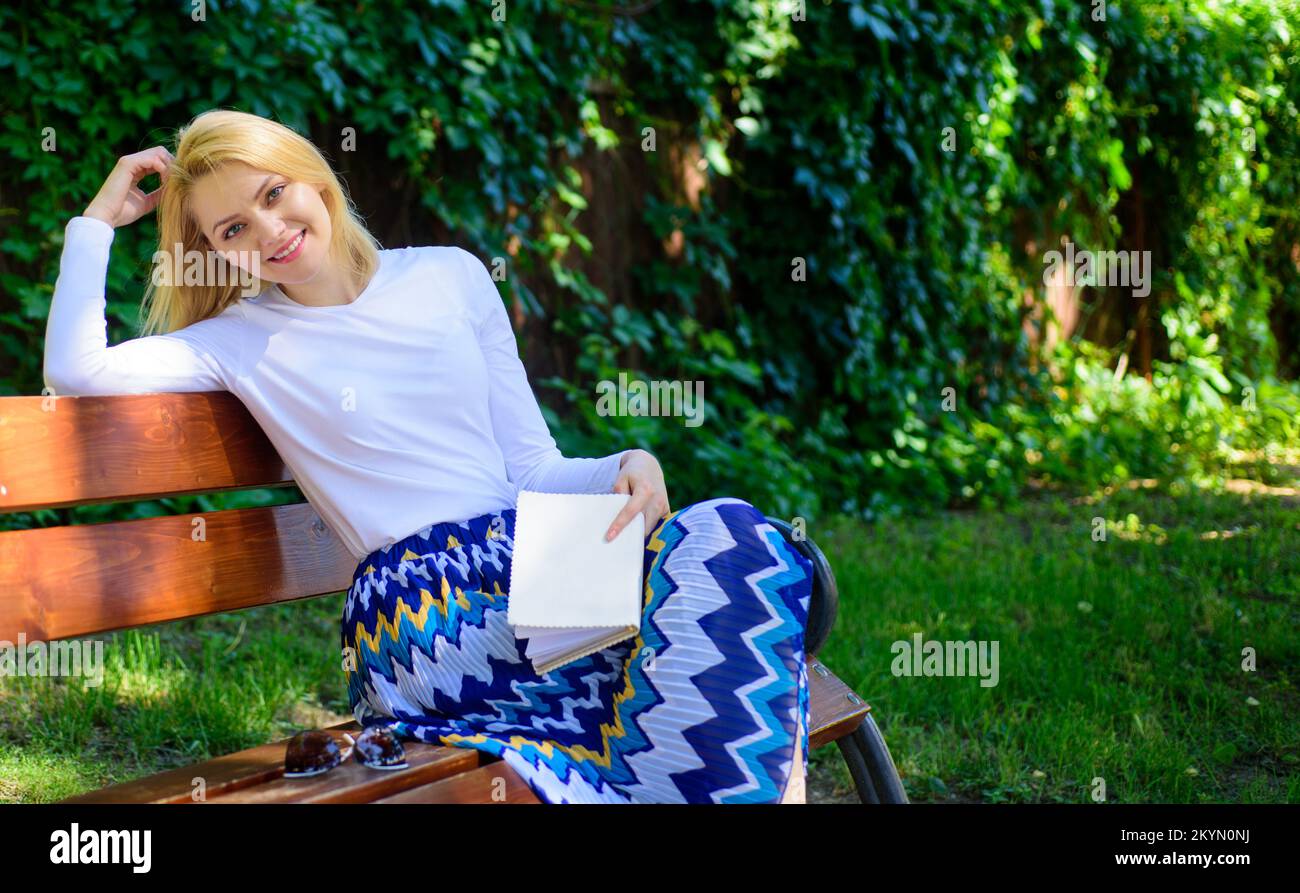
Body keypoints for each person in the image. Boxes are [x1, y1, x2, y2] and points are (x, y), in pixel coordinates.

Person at [42, 109, 812, 803]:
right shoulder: (236, 340)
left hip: (543, 571)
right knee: (734, 697)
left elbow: (533, 470)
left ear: (313, 175)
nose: (268, 230)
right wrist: (99, 220)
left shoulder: (450, 275)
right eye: (232, 230)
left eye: (274, 194)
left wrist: (626, 462)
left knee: (738, 540)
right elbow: (77, 373)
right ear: (216, 254)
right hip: (424, 611)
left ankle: (642, 783)